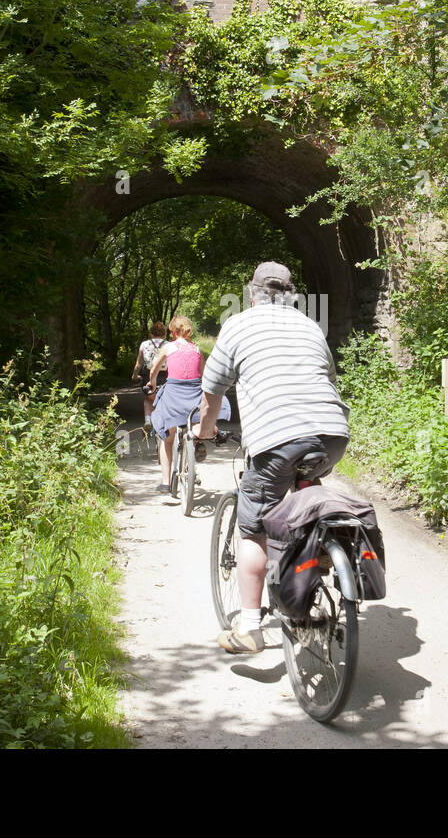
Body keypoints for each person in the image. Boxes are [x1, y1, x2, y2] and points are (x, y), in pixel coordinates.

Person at [192, 262, 350, 653]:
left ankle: (249, 628)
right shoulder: (310, 326)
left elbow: (212, 391)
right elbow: (328, 380)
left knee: (255, 528)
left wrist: (205, 430)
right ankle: (317, 550)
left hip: (277, 439)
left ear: (251, 295)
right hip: (332, 433)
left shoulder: (238, 325)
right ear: (292, 295)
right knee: (304, 482)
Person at [148, 315, 230, 494]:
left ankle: (165, 482)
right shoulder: (197, 349)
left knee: (167, 436)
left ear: (172, 331)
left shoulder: (168, 347)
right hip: (193, 393)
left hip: (174, 395)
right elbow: (205, 374)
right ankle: (200, 438)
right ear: (188, 331)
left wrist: (152, 384)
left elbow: (154, 370)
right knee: (195, 422)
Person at [131, 321, 168, 428]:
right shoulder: (169, 345)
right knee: (164, 400)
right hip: (164, 376)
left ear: (151, 334)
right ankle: (164, 422)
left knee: (149, 400)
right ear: (164, 334)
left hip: (148, 376)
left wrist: (134, 376)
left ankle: (148, 420)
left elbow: (139, 364)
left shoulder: (144, 344)